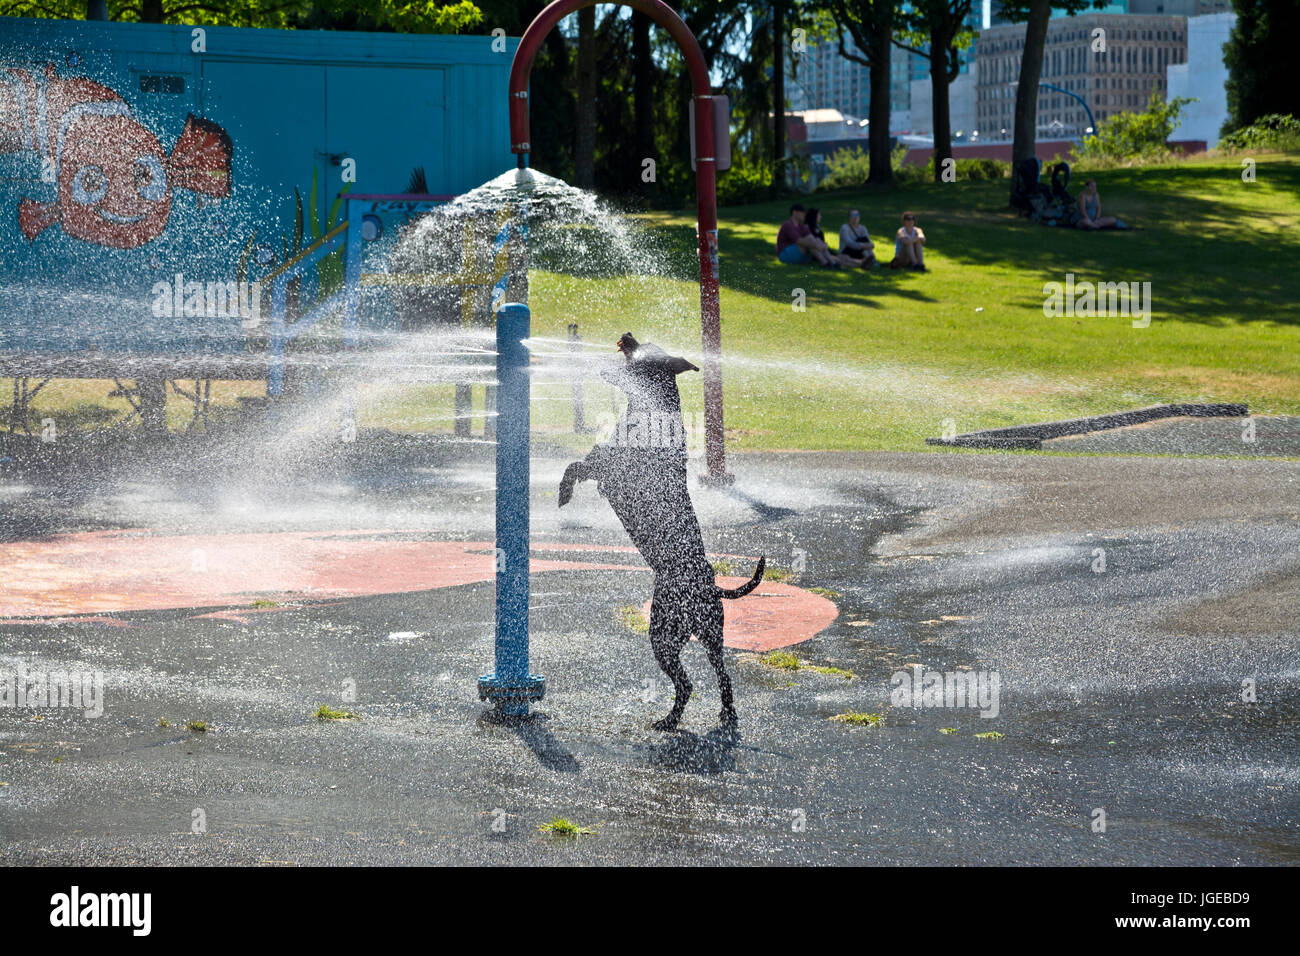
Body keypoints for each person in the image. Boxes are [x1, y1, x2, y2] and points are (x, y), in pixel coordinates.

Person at [776, 203, 852, 268]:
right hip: (785, 255)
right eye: (802, 212)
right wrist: (819, 246)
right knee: (809, 243)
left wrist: (820, 244)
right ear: (794, 213)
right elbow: (799, 241)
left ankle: (830, 263)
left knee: (816, 241)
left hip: (800, 253)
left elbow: (812, 239)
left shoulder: (803, 226)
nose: (804, 214)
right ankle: (826, 263)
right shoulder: (788, 225)